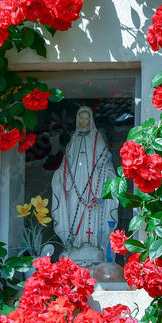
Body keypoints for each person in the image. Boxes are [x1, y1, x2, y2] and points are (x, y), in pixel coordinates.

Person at [50, 105, 118, 266]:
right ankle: (74, 244)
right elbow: (66, 164)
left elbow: (106, 162)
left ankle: (93, 244)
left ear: (91, 120)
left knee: (92, 215)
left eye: (87, 118)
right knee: (73, 209)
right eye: (81, 118)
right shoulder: (72, 140)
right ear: (77, 120)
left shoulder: (98, 139)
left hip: (94, 186)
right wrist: (59, 175)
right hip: (74, 187)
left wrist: (109, 175)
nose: (84, 121)